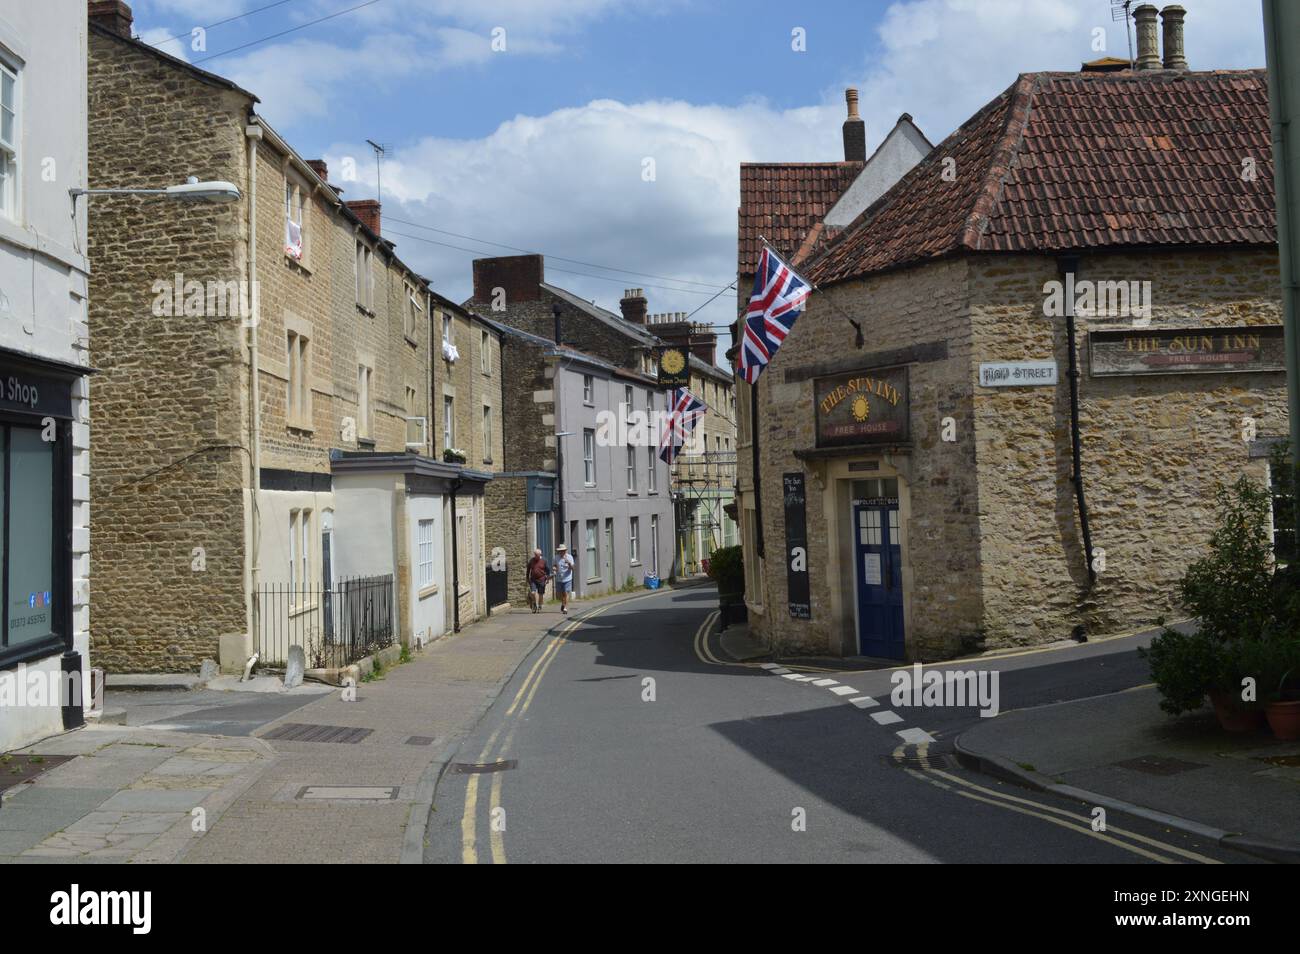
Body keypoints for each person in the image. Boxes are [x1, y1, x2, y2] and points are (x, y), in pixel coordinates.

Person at [553, 543, 575, 614]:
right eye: (560, 551)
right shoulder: (555, 557)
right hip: (559, 578)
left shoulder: (570, 557)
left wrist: (569, 563)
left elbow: (573, 568)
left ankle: (565, 607)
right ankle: (563, 603)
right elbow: (554, 566)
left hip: (567, 578)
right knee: (559, 594)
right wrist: (554, 569)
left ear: (565, 551)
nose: (562, 552)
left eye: (563, 551)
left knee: (565, 593)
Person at [526, 548, 549, 614]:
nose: (536, 556)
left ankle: (539, 605)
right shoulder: (531, 560)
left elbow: (548, 570)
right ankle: (534, 605)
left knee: (540, 594)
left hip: (542, 579)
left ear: (540, 555)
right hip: (533, 580)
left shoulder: (544, 560)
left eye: (537, 555)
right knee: (533, 592)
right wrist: (527, 578)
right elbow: (528, 570)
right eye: (535, 555)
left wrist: (547, 578)